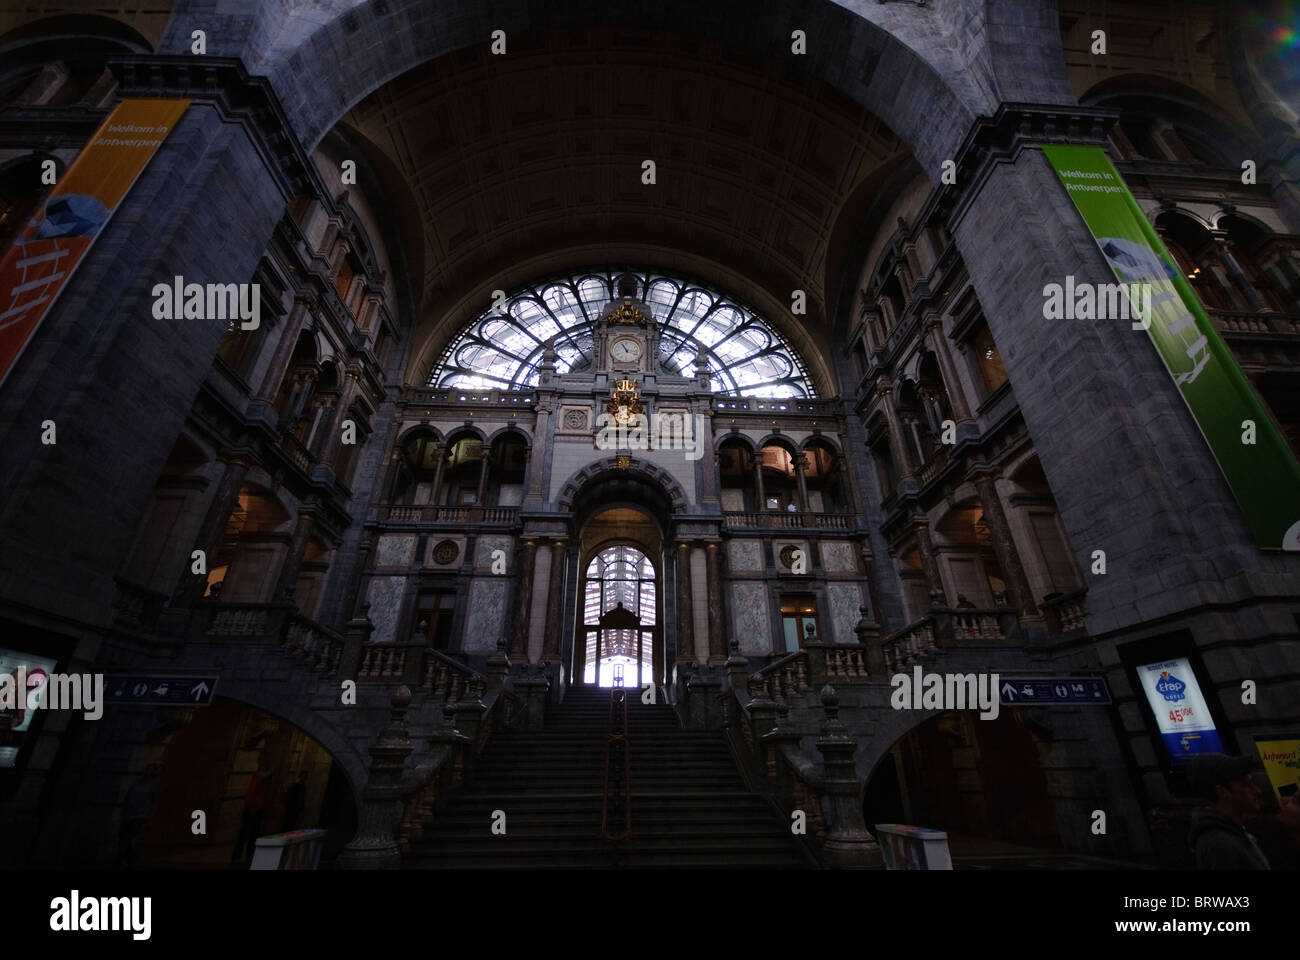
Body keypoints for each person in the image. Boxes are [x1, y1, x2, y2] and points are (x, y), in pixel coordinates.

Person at [1186, 753, 1270, 869]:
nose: (1257, 791)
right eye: (1246, 785)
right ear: (1222, 792)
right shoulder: (1220, 845)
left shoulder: (1230, 833)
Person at [119, 762, 163, 868]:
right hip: (129, 816)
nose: (147, 771)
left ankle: (132, 863)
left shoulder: (154, 785)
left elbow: (156, 803)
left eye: (151, 769)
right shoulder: (137, 783)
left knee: (132, 842)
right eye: (147, 769)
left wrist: (150, 819)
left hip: (140, 817)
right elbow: (128, 798)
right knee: (125, 842)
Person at [232, 762, 273, 865]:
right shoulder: (260, 780)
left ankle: (242, 856)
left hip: (255, 809)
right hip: (254, 810)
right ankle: (246, 856)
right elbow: (252, 794)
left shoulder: (261, 780)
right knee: (250, 834)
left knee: (248, 834)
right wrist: (253, 807)